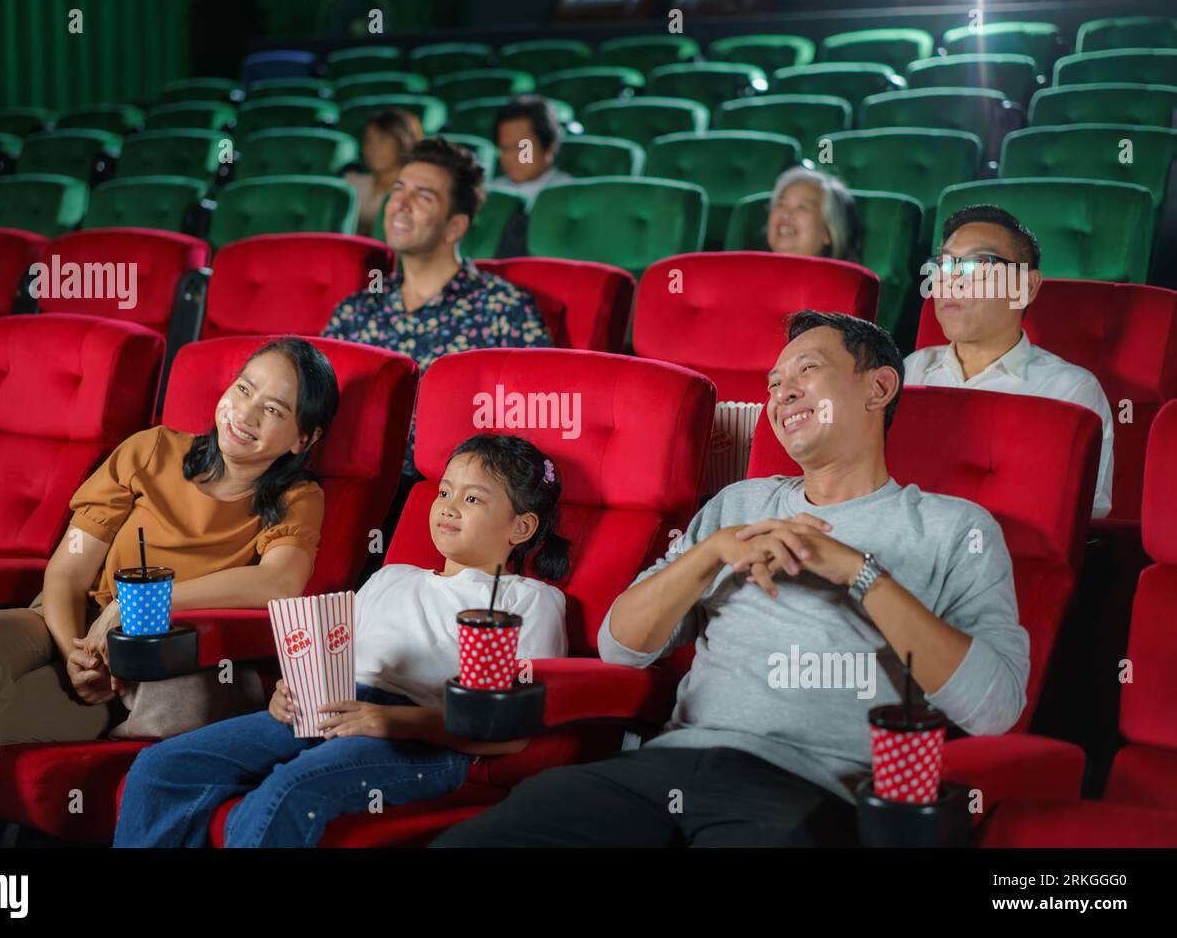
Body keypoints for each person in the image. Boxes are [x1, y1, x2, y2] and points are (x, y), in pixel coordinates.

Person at [432, 311, 1029, 848]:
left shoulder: (954, 528)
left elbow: (994, 708)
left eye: (807, 369)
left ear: (878, 387)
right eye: (772, 382)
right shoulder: (739, 504)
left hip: (812, 790)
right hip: (661, 769)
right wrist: (713, 552)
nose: (781, 391)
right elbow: (622, 647)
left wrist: (858, 571)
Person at [0, 338, 335, 848]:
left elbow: (278, 581)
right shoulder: (151, 449)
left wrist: (137, 604)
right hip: (69, 623)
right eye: (243, 388)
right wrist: (74, 652)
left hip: (144, 670)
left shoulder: (298, 498)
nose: (245, 413)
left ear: (303, 438)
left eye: (272, 409)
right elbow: (68, 572)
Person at [114, 434, 570, 846]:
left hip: (423, 739)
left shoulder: (528, 601)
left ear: (521, 528)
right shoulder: (393, 576)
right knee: (160, 769)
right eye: (445, 491)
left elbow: (507, 733)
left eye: (472, 499)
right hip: (328, 710)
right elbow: (329, 655)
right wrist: (287, 691)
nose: (448, 506)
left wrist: (389, 720)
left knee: (287, 792)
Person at [322, 136, 553, 492]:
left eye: (423, 196)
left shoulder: (504, 309)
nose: (400, 204)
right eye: (399, 189)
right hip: (342, 488)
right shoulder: (356, 310)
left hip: (447, 497)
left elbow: (535, 426)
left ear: (454, 227)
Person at [904, 204, 1113, 519]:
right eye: (945, 265)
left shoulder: (1068, 392)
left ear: (1025, 287)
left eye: (979, 264)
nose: (953, 280)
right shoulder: (911, 371)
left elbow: (1081, 517)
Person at [342, 108, 422, 237]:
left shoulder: (412, 194)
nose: (372, 148)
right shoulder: (352, 184)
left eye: (382, 141)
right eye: (368, 140)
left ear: (402, 143)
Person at [487, 95, 572, 209]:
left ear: (549, 145)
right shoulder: (489, 194)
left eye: (521, 147)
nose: (510, 157)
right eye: (505, 148)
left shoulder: (569, 194)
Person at [764, 166, 860, 262]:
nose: (786, 214)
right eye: (781, 205)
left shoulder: (842, 277)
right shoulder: (750, 270)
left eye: (802, 207)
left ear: (828, 232)